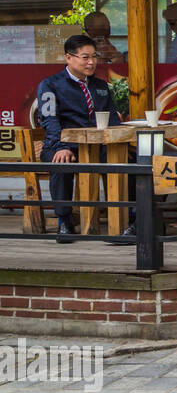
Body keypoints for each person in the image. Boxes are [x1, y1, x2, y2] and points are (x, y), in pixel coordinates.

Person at [36, 35, 123, 241]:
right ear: (69, 57)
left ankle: (132, 219)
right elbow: (50, 120)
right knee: (62, 163)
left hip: (98, 145)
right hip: (63, 144)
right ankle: (64, 221)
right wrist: (59, 146)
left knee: (130, 162)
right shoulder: (50, 85)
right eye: (85, 57)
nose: (91, 62)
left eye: (94, 56)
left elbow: (111, 117)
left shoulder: (100, 86)